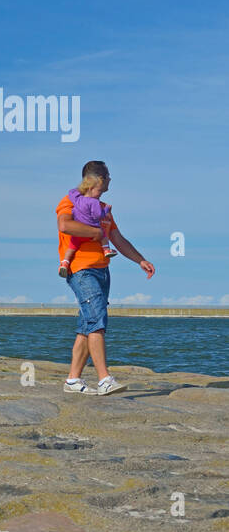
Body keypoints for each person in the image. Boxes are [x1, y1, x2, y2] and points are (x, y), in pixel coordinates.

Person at [56, 161, 155, 396]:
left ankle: (73, 380)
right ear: (99, 178)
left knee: (86, 326)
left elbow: (118, 239)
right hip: (81, 269)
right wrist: (96, 233)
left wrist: (140, 259)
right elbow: (65, 224)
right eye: (108, 176)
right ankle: (104, 379)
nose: (111, 180)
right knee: (97, 321)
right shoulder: (71, 201)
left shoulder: (104, 209)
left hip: (102, 270)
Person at [58, 171, 117, 277]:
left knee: (71, 248)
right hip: (90, 233)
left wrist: (81, 189)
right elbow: (98, 215)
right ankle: (106, 249)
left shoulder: (76, 199)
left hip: (78, 235)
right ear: (91, 188)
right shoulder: (94, 202)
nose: (100, 193)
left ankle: (65, 263)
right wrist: (107, 209)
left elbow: (72, 192)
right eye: (99, 191)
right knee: (103, 234)